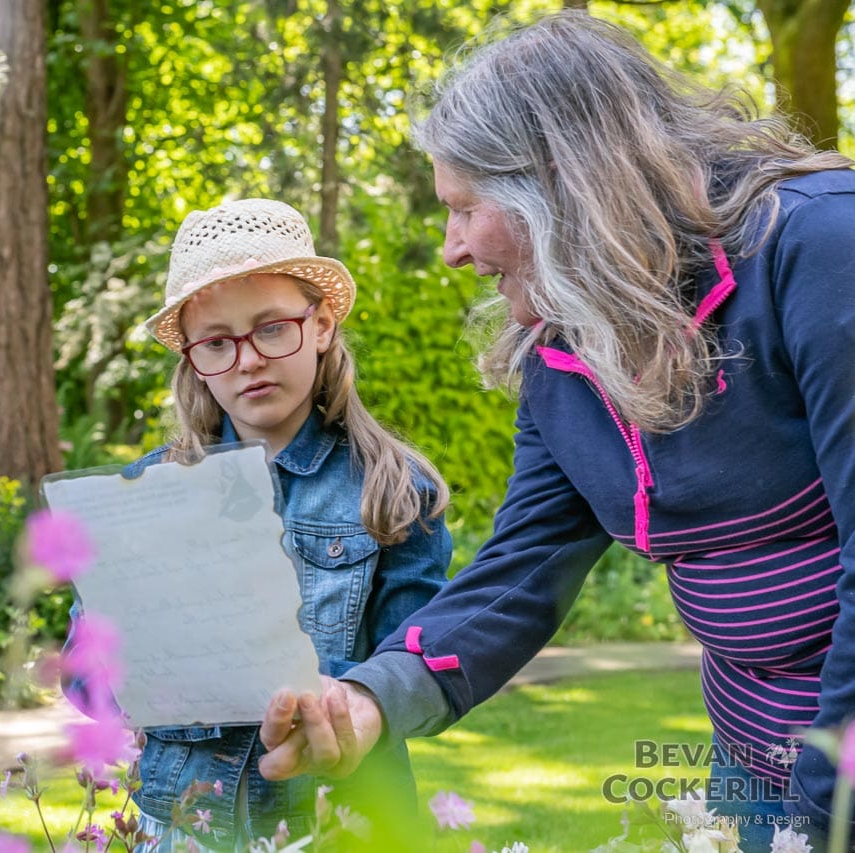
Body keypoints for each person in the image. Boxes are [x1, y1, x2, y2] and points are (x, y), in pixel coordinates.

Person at [256, 13, 855, 851]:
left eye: (464, 208)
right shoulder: (561, 353)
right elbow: (525, 565)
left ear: (562, 183)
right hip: (757, 749)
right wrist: (371, 697)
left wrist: (823, 804)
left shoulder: (820, 244)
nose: (451, 249)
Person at [65, 198, 452, 850]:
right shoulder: (144, 497)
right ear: (192, 357)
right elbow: (86, 673)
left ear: (322, 323)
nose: (247, 359)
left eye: (272, 328)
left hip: (340, 824)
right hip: (179, 824)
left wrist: (328, 693)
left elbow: (419, 674)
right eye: (217, 342)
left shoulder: (393, 490)